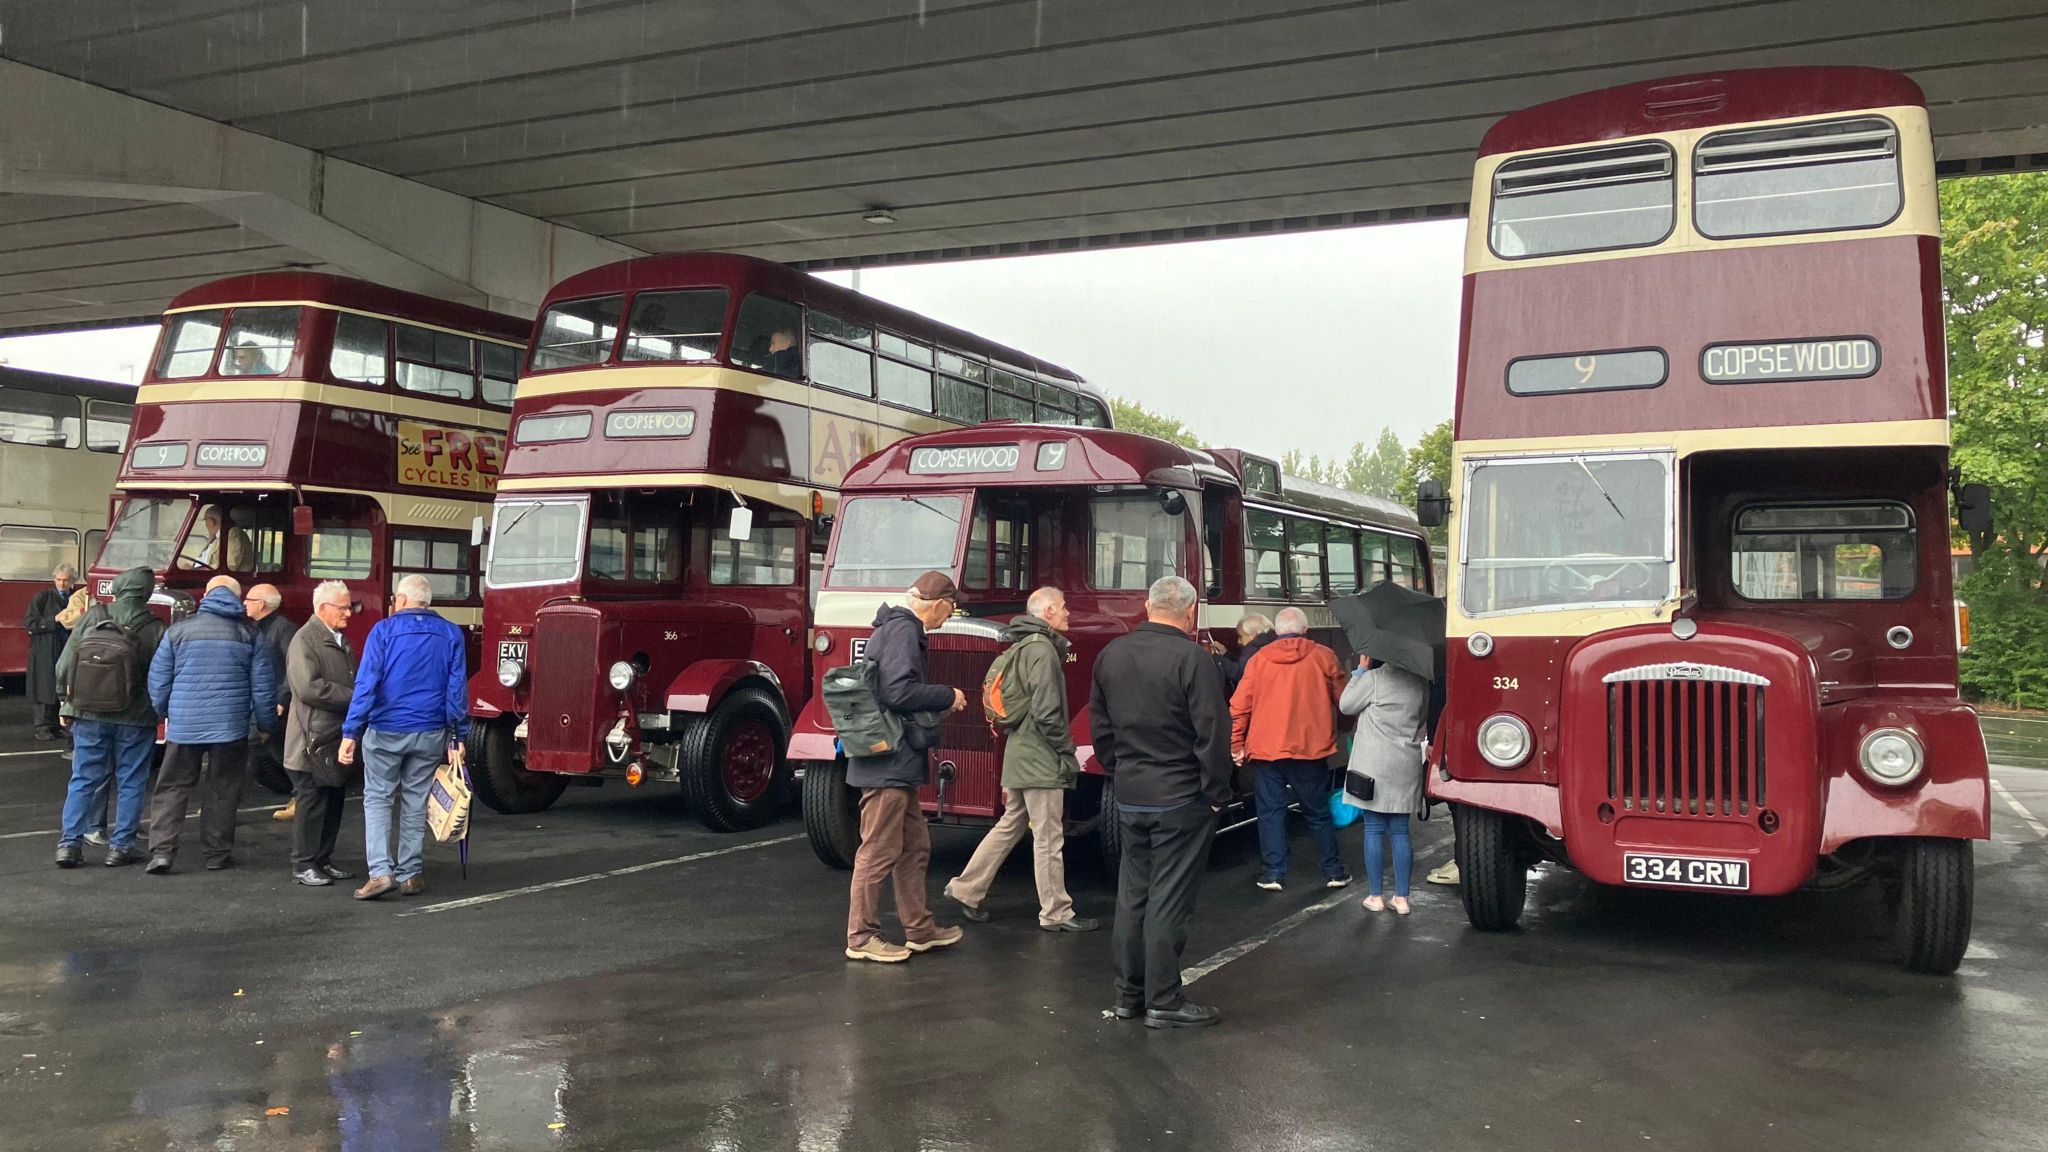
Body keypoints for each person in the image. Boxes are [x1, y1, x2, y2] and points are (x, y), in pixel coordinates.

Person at [1088, 575, 1231, 1029]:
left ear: (1146, 606)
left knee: (1132, 896)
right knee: (1169, 900)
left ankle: (1129, 995)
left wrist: (1119, 768)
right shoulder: (1193, 659)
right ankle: (1164, 1000)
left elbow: (1100, 724)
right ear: (1190, 613)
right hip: (1180, 794)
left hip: (1131, 791)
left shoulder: (1111, 655)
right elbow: (1213, 732)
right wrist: (1215, 793)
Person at [943, 587, 1098, 933]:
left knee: (1011, 823)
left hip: (1017, 751)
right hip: (1040, 756)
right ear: (1046, 612)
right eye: (1062, 608)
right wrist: (1065, 750)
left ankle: (966, 888)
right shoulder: (1043, 652)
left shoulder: (1019, 647)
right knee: (1048, 836)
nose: (1068, 613)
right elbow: (1048, 712)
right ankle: (1056, 911)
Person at [843, 571, 968, 963]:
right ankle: (861, 937)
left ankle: (920, 929)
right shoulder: (903, 631)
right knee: (878, 850)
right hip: (889, 764)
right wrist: (948, 695)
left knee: (914, 846)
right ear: (937, 603)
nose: (949, 617)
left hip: (893, 762)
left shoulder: (892, 628)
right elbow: (897, 691)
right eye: (950, 609)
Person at [338, 574, 468, 901]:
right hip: (429, 731)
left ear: (402, 599)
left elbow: (367, 685)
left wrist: (351, 731)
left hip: (386, 729)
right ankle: (410, 874)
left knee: (379, 799)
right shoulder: (451, 634)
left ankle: (381, 872)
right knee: (415, 801)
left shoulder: (383, 631)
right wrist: (458, 736)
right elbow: (456, 690)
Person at [144, 574, 278, 874]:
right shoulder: (250, 634)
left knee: (173, 787)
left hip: (184, 726)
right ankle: (217, 853)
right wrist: (267, 725)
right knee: (223, 788)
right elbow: (263, 689)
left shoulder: (178, 631)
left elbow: (158, 682)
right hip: (230, 729)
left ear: (206, 595)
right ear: (236, 597)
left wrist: (165, 714)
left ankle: (163, 852)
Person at [50, 566, 165, 869]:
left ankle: (69, 845)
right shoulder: (155, 627)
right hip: (136, 717)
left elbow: (64, 665)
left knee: (83, 778)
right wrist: (160, 709)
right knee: (131, 780)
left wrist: (65, 701)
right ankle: (122, 846)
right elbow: (161, 676)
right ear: (147, 593)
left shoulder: (94, 615)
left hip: (89, 712)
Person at [1230, 606, 1349, 892]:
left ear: (1277, 632)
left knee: (1270, 812)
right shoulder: (1324, 656)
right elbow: (1345, 700)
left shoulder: (1258, 660)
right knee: (1317, 812)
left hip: (1267, 750)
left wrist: (1236, 743)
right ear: (1306, 631)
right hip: (1310, 750)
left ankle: (1273, 873)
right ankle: (1333, 871)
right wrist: (1343, 726)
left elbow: (1239, 706)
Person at [1340, 652, 1430, 914]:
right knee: (1401, 830)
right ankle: (1402, 899)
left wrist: (1359, 671)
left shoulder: (1374, 679)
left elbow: (1346, 705)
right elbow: (1421, 718)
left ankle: (1376, 896)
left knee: (1374, 829)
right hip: (1405, 763)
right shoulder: (1420, 682)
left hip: (1374, 766)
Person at [285, 582, 358, 887]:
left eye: (349, 606)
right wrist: (355, 696)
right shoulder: (304, 640)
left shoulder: (338, 639)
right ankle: (303, 865)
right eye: (343, 607)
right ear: (322, 607)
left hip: (332, 738)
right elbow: (309, 688)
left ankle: (322, 859)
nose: (349, 613)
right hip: (309, 740)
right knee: (312, 803)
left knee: (332, 799)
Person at [244, 584, 298, 823]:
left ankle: (299, 798)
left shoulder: (284, 629)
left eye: (249, 599)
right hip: (259, 700)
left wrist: (282, 698)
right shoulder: (253, 628)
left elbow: (293, 666)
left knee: (280, 752)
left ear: (261, 604)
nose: (244, 603)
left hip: (275, 703)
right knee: (256, 753)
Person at [23, 564, 77, 740]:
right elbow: (30, 624)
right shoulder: (42, 597)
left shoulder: (74, 599)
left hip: (65, 646)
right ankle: (42, 726)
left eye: (65, 580)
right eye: (59, 580)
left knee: (60, 685)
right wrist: (54, 619)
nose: (61, 583)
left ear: (72, 581)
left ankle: (55, 724)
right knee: (43, 686)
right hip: (45, 648)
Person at [1211, 613, 1275, 701]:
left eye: (1241, 636)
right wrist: (1226, 653)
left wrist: (1216, 658)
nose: (1239, 641)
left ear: (1253, 635)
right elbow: (1243, 665)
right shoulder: (1270, 643)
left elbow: (1240, 675)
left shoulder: (1253, 649)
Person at [186, 506, 253, 572]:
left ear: (211, 521)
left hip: (221, 580)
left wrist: (198, 570)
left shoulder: (233, 534)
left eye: (205, 521)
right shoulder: (216, 538)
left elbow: (230, 565)